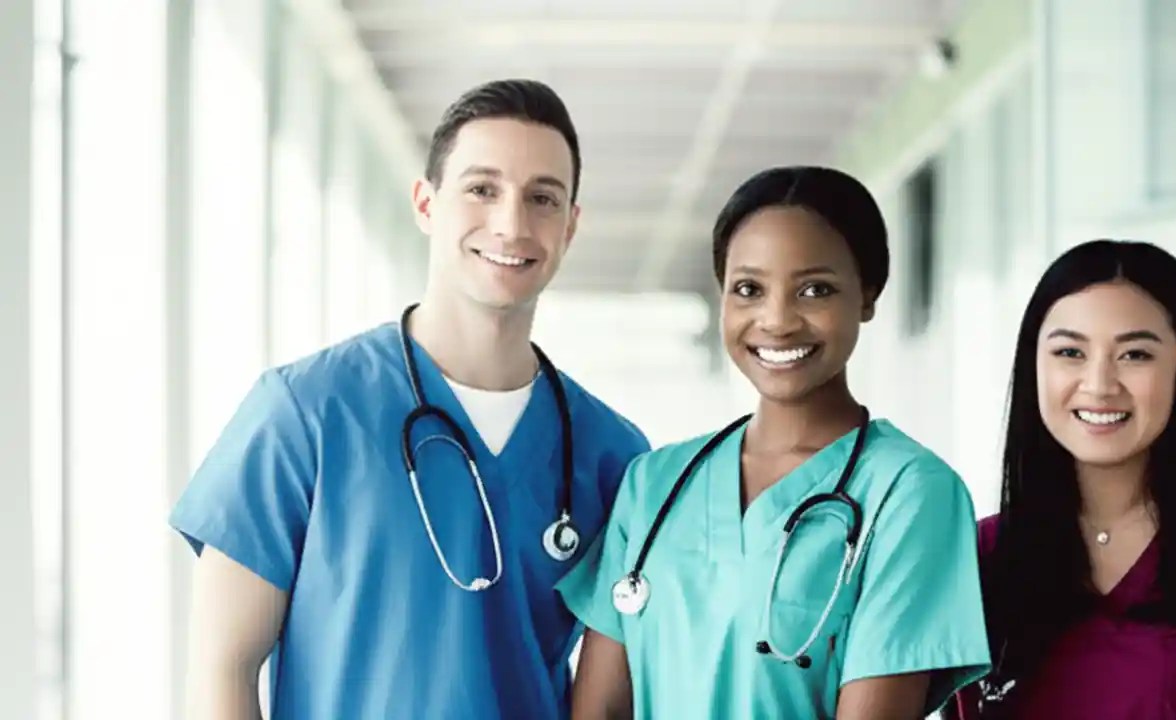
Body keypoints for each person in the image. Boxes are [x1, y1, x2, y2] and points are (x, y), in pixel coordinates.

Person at [170, 79, 649, 719]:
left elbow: (612, 692)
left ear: (570, 226)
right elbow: (221, 671)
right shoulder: (304, 412)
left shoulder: (611, 453)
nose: (511, 223)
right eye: (482, 190)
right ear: (426, 203)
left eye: (542, 198)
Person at [557, 166, 991, 719]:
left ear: (868, 293)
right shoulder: (654, 485)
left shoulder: (909, 493)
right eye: (749, 289)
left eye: (815, 289)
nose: (777, 320)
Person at [945, 240, 1176, 719]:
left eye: (1135, 355)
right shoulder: (975, 562)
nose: (1100, 384)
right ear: (1032, 368)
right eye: (1070, 352)